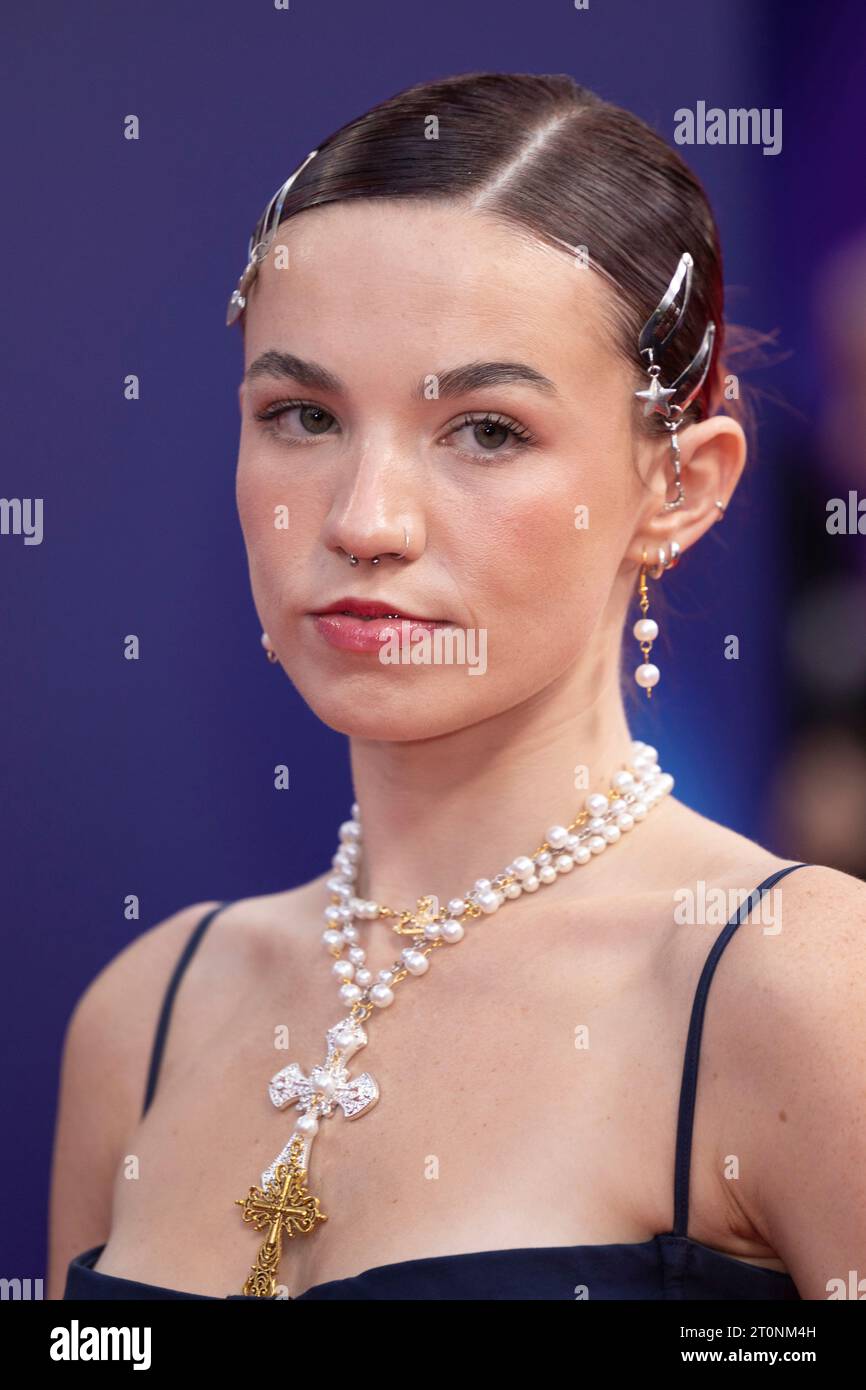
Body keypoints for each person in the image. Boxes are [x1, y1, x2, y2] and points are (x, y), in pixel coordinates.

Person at [51, 71, 866, 1301]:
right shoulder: (144, 1012)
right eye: (301, 414)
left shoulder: (795, 985)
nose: (364, 521)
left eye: (485, 429)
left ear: (680, 487)